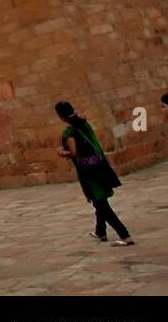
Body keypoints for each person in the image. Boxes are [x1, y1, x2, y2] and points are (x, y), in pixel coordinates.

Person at [56, 101, 133, 245]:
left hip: (88, 171)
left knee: (101, 203)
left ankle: (125, 236)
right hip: (100, 165)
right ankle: (100, 232)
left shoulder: (69, 131)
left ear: (60, 116)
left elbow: (73, 152)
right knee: (100, 201)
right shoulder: (84, 124)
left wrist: (61, 152)